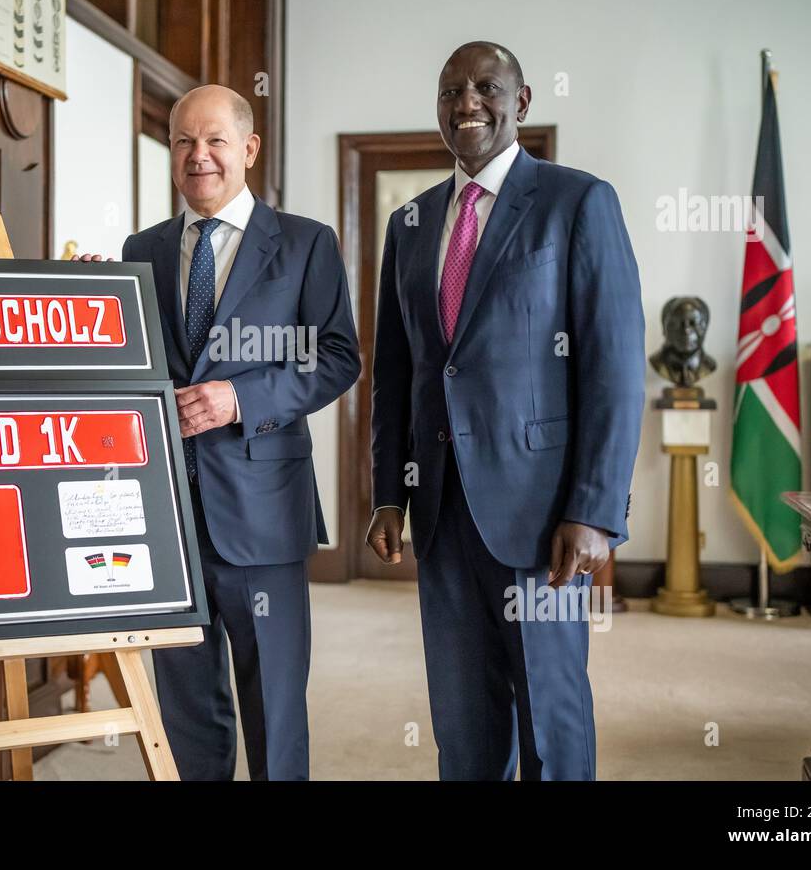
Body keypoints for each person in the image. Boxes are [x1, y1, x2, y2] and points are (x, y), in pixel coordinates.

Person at [365, 42, 644, 780]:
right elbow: (399, 371)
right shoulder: (412, 224)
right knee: (463, 722)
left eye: (486, 88)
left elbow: (614, 370)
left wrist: (595, 510)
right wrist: (389, 492)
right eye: (451, 90)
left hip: (544, 519)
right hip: (442, 511)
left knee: (549, 715)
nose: (467, 103)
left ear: (520, 103)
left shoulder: (577, 201)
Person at [88, 84, 359, 779]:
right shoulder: (139, 249)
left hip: (263, 510)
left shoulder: (305, 244)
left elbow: (334, 357)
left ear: (248, 148)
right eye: (183, 141)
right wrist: (88, 304)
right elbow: (130, 367)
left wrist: (239, 397)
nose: (198, 156)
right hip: (167, 514)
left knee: (274, 702)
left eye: (213, 141)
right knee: (186, 706)